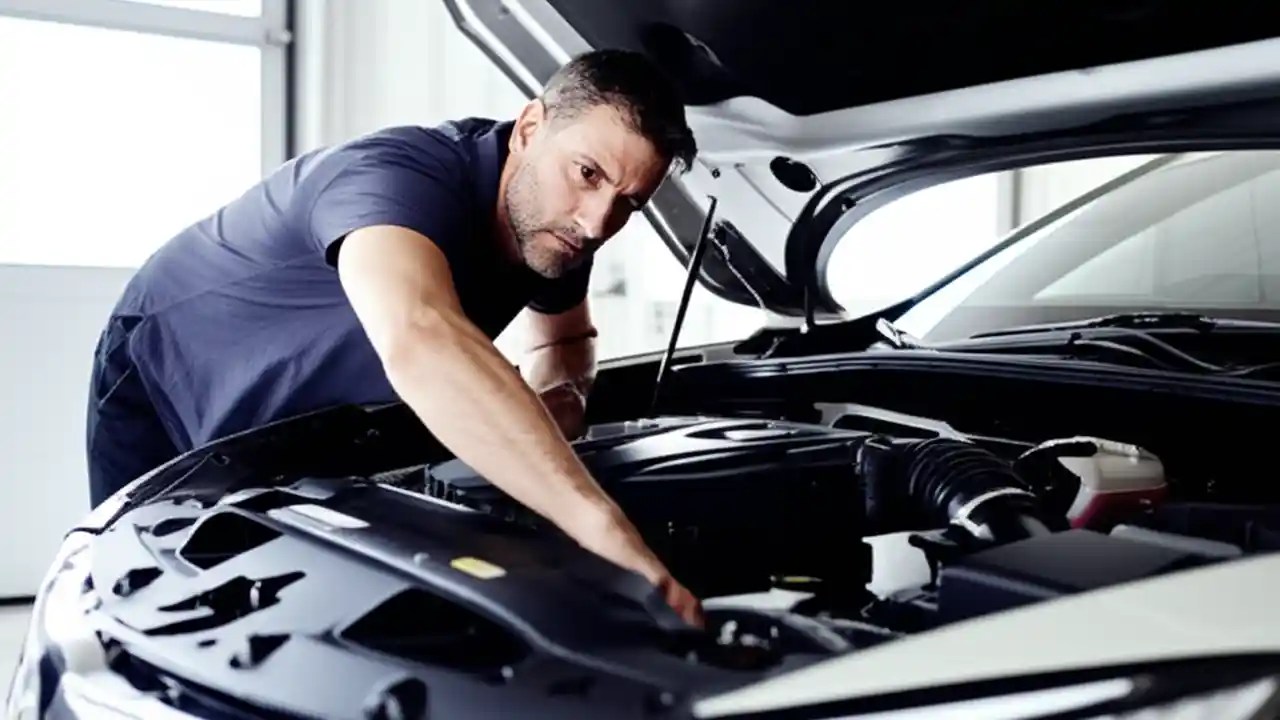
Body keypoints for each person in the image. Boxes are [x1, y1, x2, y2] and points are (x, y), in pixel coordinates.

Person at [85, 49, 703, 626]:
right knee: (154, 618)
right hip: (173, 376)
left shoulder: (560, 230)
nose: (598, 222)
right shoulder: (400, 177)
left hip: (318, 423)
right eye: (587, 173)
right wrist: (605, 533)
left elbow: (563, 342)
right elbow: (420, 335)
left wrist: (561, 401)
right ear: (529, 129)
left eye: (629, 203)